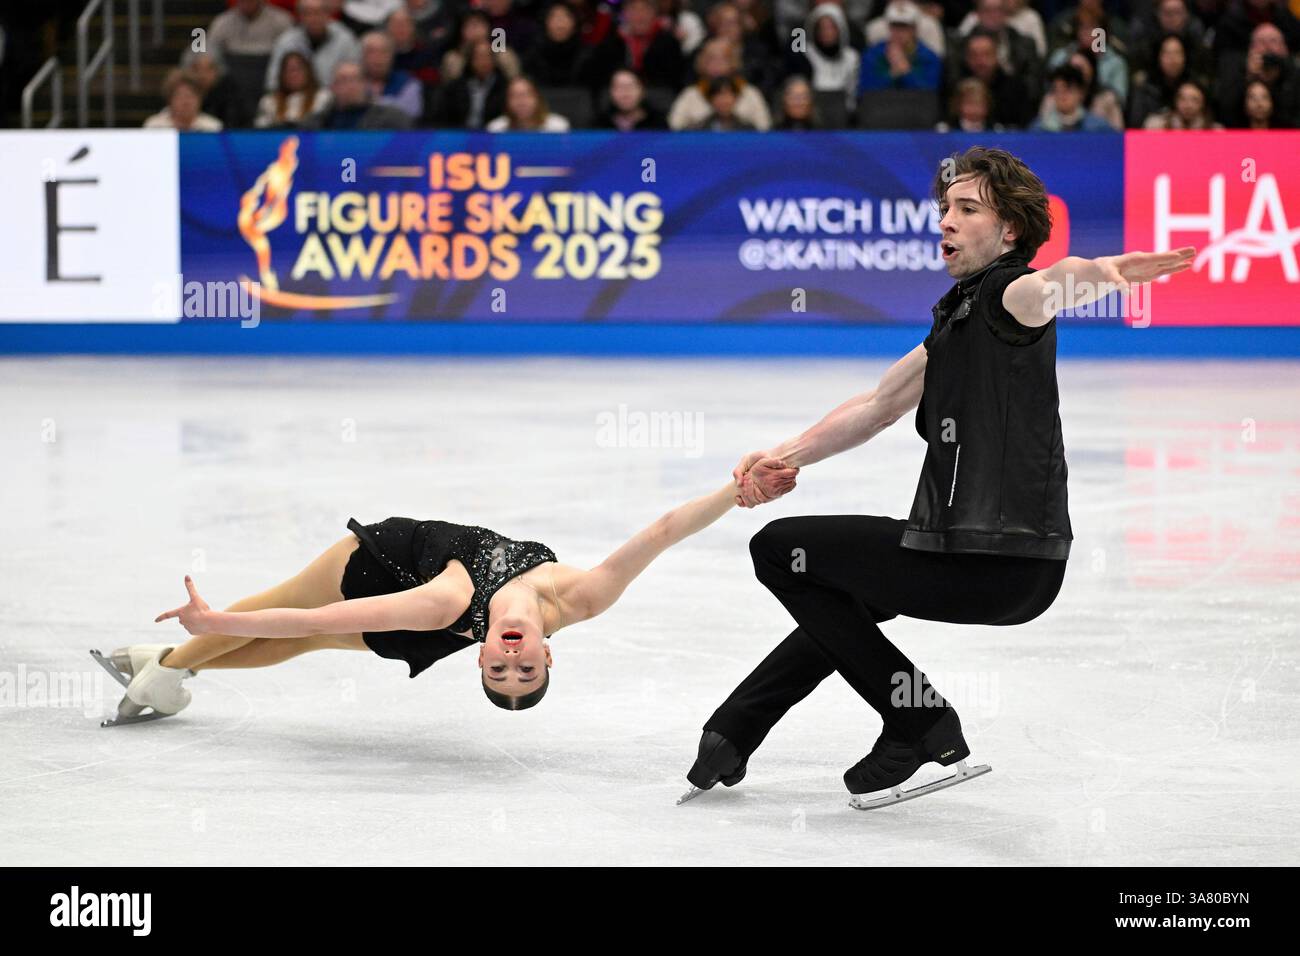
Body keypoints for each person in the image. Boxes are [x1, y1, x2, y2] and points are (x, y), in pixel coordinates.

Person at [681, 146, 1196, 809]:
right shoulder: (955, 319)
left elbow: (1055, 284)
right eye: (944, 209)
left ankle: (918, 720)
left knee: (780, 551)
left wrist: (1103, 273)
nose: (946, 222)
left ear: (1009, 229)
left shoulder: (1010, 295)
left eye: (967, 209)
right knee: (843, 593)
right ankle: (734, 732)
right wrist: (782, 458)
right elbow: (875, 407)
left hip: (995, 559)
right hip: (972, 554)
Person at [105, 481, 742, 723]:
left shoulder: (446, 611)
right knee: (298, 620)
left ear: (480, 655)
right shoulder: (583, 598)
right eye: (527, 670)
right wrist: (737, 491)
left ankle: (167, 665)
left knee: (311, 638)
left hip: (410, 610)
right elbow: (664, 531)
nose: (512, 663)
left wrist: (218, 620)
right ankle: (167, 668)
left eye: (500, 671)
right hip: (382, 560)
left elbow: (320, 621)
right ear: (551, 653)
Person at [298, 60, 413, 128]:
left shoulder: (392, 118)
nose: (351, 86)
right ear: (333, 87)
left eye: (356, 79)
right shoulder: (316, 123)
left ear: (365, 84)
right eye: (344, 80)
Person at [255, 49, 332, 126]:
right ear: (281, 75)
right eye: (289, 70)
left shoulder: (322, 98)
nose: (293, 75)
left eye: (297, 69)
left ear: (308, 71)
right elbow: (261, 131)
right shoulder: (269, 102)